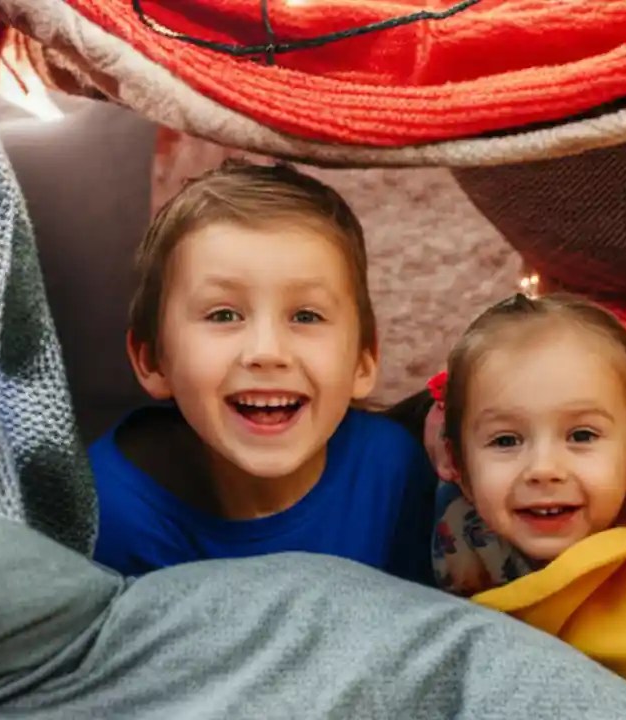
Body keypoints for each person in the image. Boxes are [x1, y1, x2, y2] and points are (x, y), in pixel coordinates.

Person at [89, 161, 435, 584]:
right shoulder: (110, 511)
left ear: (364, 360)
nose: (267, 353)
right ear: (152, 361)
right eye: (224, 314)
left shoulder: (394, 474)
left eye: (306, 316)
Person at [426, 292, 626, 595]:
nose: (543, 469)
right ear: (460, 467)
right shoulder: (457, 549)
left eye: (581, 436)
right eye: (506, 441)